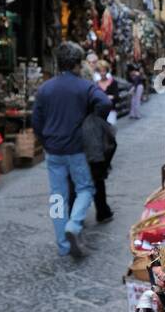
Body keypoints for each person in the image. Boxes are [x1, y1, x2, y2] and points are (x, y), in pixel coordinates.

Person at [32, 42, 113, 259]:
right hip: (76, 149)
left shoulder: (45, 88)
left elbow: (36, 122)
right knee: (86, 188)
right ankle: (74, 224)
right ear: (78, 64)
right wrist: (91, 119)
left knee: (57, 197)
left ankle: (62, 245)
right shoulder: (84, 86)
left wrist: (46, 141)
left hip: (53, 151)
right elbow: (104, 103)